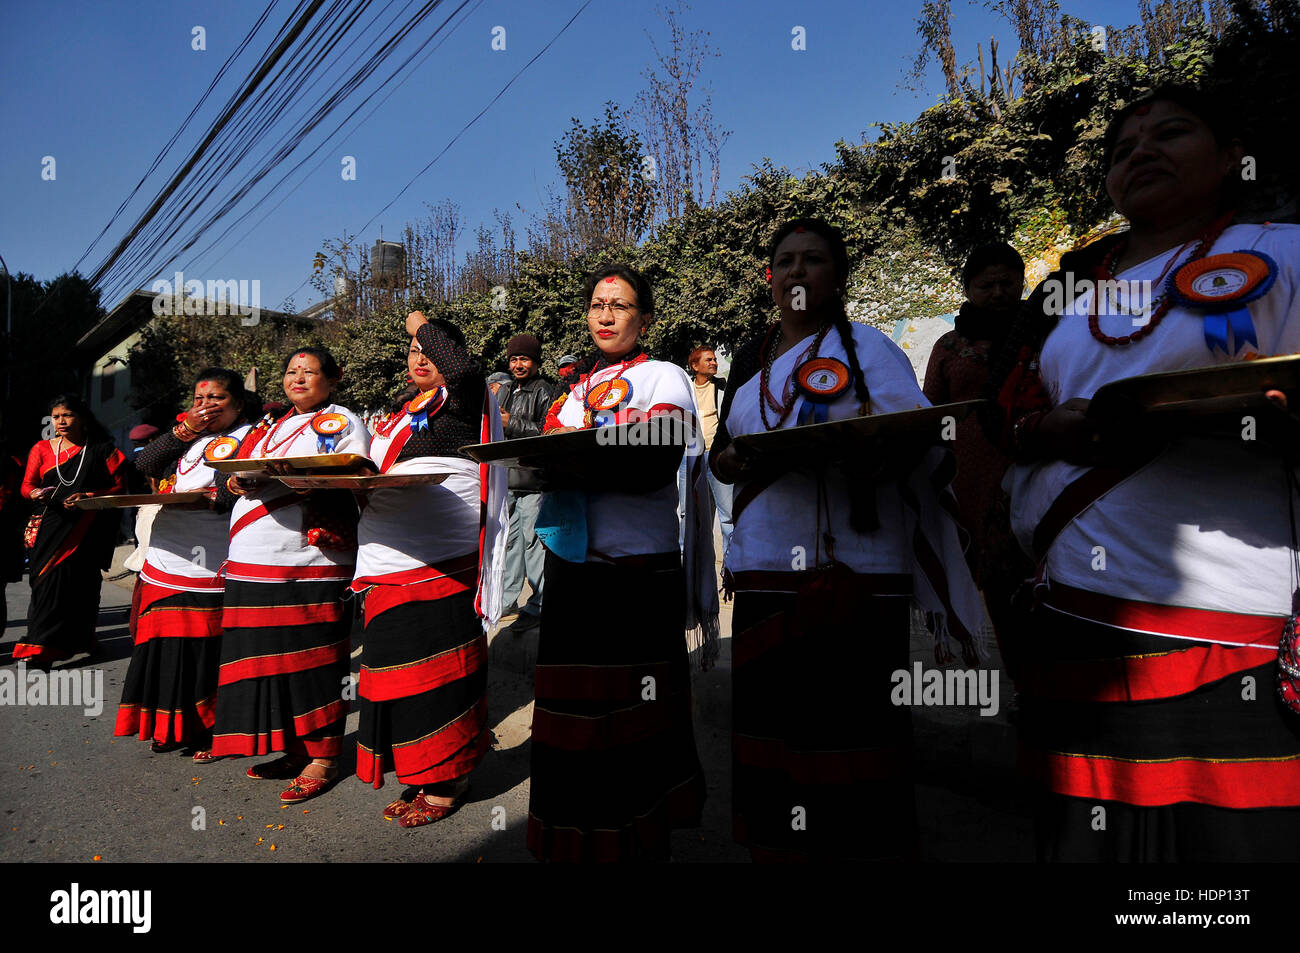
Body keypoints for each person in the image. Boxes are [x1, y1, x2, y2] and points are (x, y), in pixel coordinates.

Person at [984, 85, 1300, 861]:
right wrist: (1043, 428)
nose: (1142, 152)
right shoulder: (1071, 290)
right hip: (1070, 633)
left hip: (1222, 634)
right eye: (1124, 148)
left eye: (1171, 133)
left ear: (1231, 156)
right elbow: (1012, 408)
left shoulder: (1283, 251)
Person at [711, 218, 984, 861]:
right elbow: (724, 452)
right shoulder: (751, 368)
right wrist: (733, 463)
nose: (797, 272)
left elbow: (917, 435)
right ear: (769, 278)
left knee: (849, 722)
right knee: (771, 723)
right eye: (785, 262)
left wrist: (869, 453)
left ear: (838, 277)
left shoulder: (872, 350)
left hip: (853, 575)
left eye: (814, 260)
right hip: (762, 574)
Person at [527, 263, 717, 862]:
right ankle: (576, 838)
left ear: (646, 318)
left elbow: (655, 458)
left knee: (637, 714)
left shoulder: (664, 375)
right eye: (597, 304)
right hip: (571, 568)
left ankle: (638, 838)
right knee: (572, 713)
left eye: (620, 305)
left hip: (637, 573)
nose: (605, 315)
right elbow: (543, 460)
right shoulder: (574, 391)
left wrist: (577, 458)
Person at [351, 311, 507, 827]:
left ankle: (451, 775)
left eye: (430, 350)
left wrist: (418, 322)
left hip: (443, 563)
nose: (420, 358)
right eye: (413, 351)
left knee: (440, 671)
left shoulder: (462, 401)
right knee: (397, 668)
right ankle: (418, 771)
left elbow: (462, 372)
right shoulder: (402, 414)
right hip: (385, 560)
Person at [208, 347, 370, 803]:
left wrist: (302, 480)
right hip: (249, 560)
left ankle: (324, 756)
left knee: (311, 662)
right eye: (291, 371)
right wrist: (235, 481)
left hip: (309, 560)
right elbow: (231, 474)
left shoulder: (343, 421)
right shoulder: (269, 426)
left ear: (332, 379)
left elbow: (353, 478)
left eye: (309, 371)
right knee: (269, 661)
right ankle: (293, 747)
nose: (297, 378)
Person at [114, 369, 252, 754]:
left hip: (212, 560)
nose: (205, 406)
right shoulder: (189, 439)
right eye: (198, 399)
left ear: (238, 404)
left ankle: (209, 728)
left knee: (203, 648)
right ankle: (165, 725)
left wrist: (217, 496)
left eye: (217, 399)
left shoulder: (251, 437)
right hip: (165, 554)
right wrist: (184, 430)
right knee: (161, 644)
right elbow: (144, 466)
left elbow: (237, 491)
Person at [923, 243, 1033, 670]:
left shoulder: (1042, 333)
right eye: (986, 284)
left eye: (1008, 282)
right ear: (968, 288)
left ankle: (1056, 676)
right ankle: (1021, 678)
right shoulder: (950, 346)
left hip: (1030, 463)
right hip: (968, 476)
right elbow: (931, 408)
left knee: (1039, 569)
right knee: (993, 576)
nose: (999, 291)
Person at [16, 395, 128, 668]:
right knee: (46, 586)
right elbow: (26, 485)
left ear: (82, 418)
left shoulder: (102, 450)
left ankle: (82, 640)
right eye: (56, 417)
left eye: (67, 415)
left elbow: (119, 488)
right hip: (50, 526)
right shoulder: (42, 448)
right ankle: (40, 647)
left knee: (83, 588)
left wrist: (88, 495)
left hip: (88, 529)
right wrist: (35, 493)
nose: (61, 422)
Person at [498, 333, 555, 634]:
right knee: (509, 542)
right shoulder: (504, 390)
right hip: (507, 477)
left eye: (524, 359)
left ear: (535, 361)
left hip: (533, 478)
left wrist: (512, 424)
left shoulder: (544, 390)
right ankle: (506, 602)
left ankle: (540, 603)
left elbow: (548, 431)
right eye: (514, 359)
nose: (518, 364)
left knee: (534, 543)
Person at [685, 345, 733, 557]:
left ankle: (730, 568)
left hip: (717, 457)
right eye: (708, 360)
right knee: (689, 515)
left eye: (714, 359)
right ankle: (690, 566)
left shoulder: (723, 386)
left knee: (728, 515)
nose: (714, 362)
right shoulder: (684, 390)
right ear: (694, 366)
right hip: (689, 457)